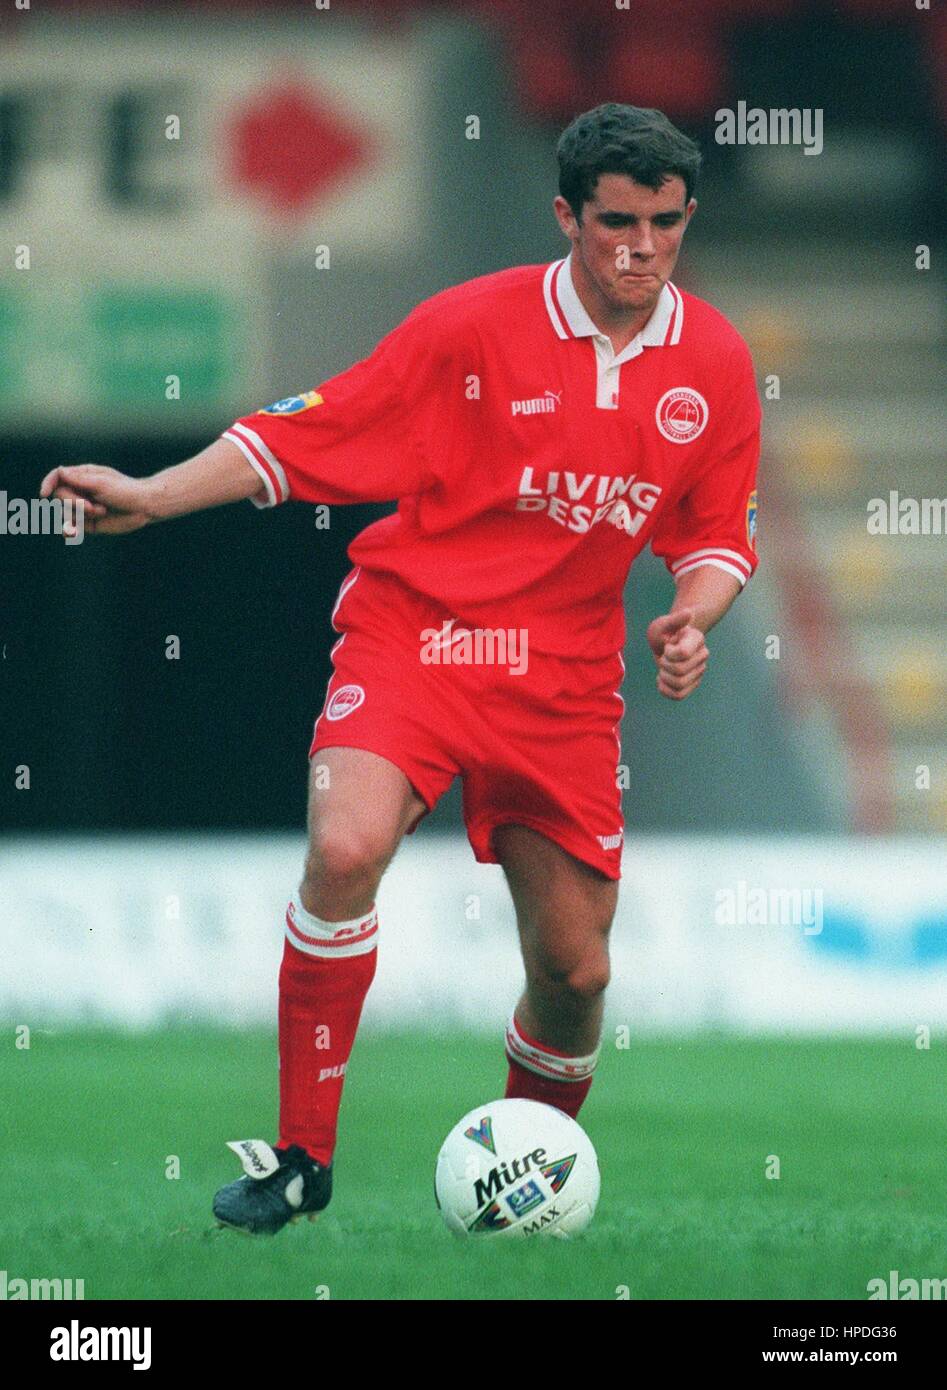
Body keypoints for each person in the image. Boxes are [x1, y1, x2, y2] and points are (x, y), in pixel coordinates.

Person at [41, 103, 761, 1235]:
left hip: (564, 682)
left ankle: (525, 1177)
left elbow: (715, 534)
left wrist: (690, 613)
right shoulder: (469, 330)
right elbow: (305, 432)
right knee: (344, 844)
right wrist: (152, 495)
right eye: (616, 220)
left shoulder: (713, 362)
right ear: (565, 215)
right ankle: (298, 1162)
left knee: (573, 975)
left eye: (665, 224)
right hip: (414, 638)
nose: (640, 248)